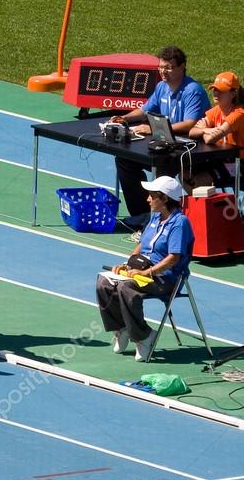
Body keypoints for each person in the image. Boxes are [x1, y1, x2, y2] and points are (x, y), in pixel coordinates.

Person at [96, 175, 194, 362]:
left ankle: (144, 336)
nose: (148, 199)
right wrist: (127, 264)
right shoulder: (155, 217)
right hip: (142, 271)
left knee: (126, 287)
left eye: (152, 196)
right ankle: (122, 329)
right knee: (104, 282)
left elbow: (173, 258)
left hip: (165, 278)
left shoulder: (180, 223)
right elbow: (141, 245)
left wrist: (146, 273)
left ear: (165, 198)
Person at [108, 46, 206, 226]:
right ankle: (142, 214)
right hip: (167, 146)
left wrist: (154, 131)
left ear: (182, 67)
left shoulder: (192, 90)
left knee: (161, 168)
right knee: (125, 160)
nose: (163, 72)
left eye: (168, 68)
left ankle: (161, 219)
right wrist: (125, 118)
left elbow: (190, 123)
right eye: (161, 67)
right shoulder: (162, 87)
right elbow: (145, 110)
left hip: (189, 150)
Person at [187, 71, 243, 188]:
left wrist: (204, 130)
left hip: (238, 165)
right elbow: (192, 131)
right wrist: (206, 130)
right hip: (220, 160)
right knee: (186, 173)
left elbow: (211, 139)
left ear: (233, 93)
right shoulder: (216, 110)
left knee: (199, 180)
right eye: (214, 89)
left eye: (221, 90)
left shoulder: (239, 114)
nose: (216, 93)